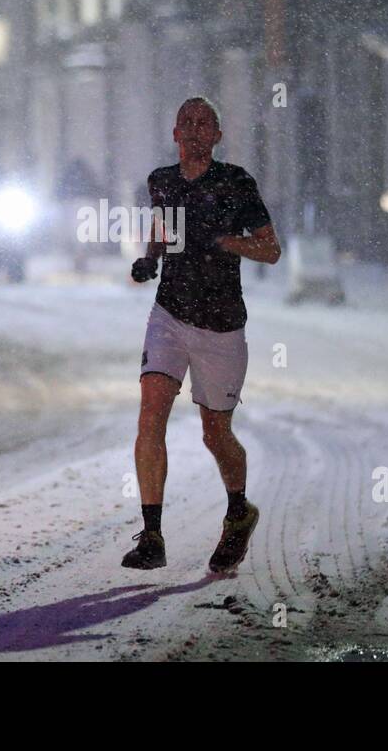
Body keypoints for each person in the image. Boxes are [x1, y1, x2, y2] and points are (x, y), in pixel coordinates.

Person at [123, 96, 282, 571]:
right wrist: (150, 259)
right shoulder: (162, 181)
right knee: (151, 416)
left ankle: (239, 511)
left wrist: (224, 242)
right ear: (174, 134)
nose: (194, 130)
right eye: (186, 123)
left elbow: (271, 250)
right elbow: (163, 226)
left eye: (204, 123)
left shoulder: (236, 184)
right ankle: (152, 536)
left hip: (221, 324)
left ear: (218, 135)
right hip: (169, 314)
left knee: (216, 433)